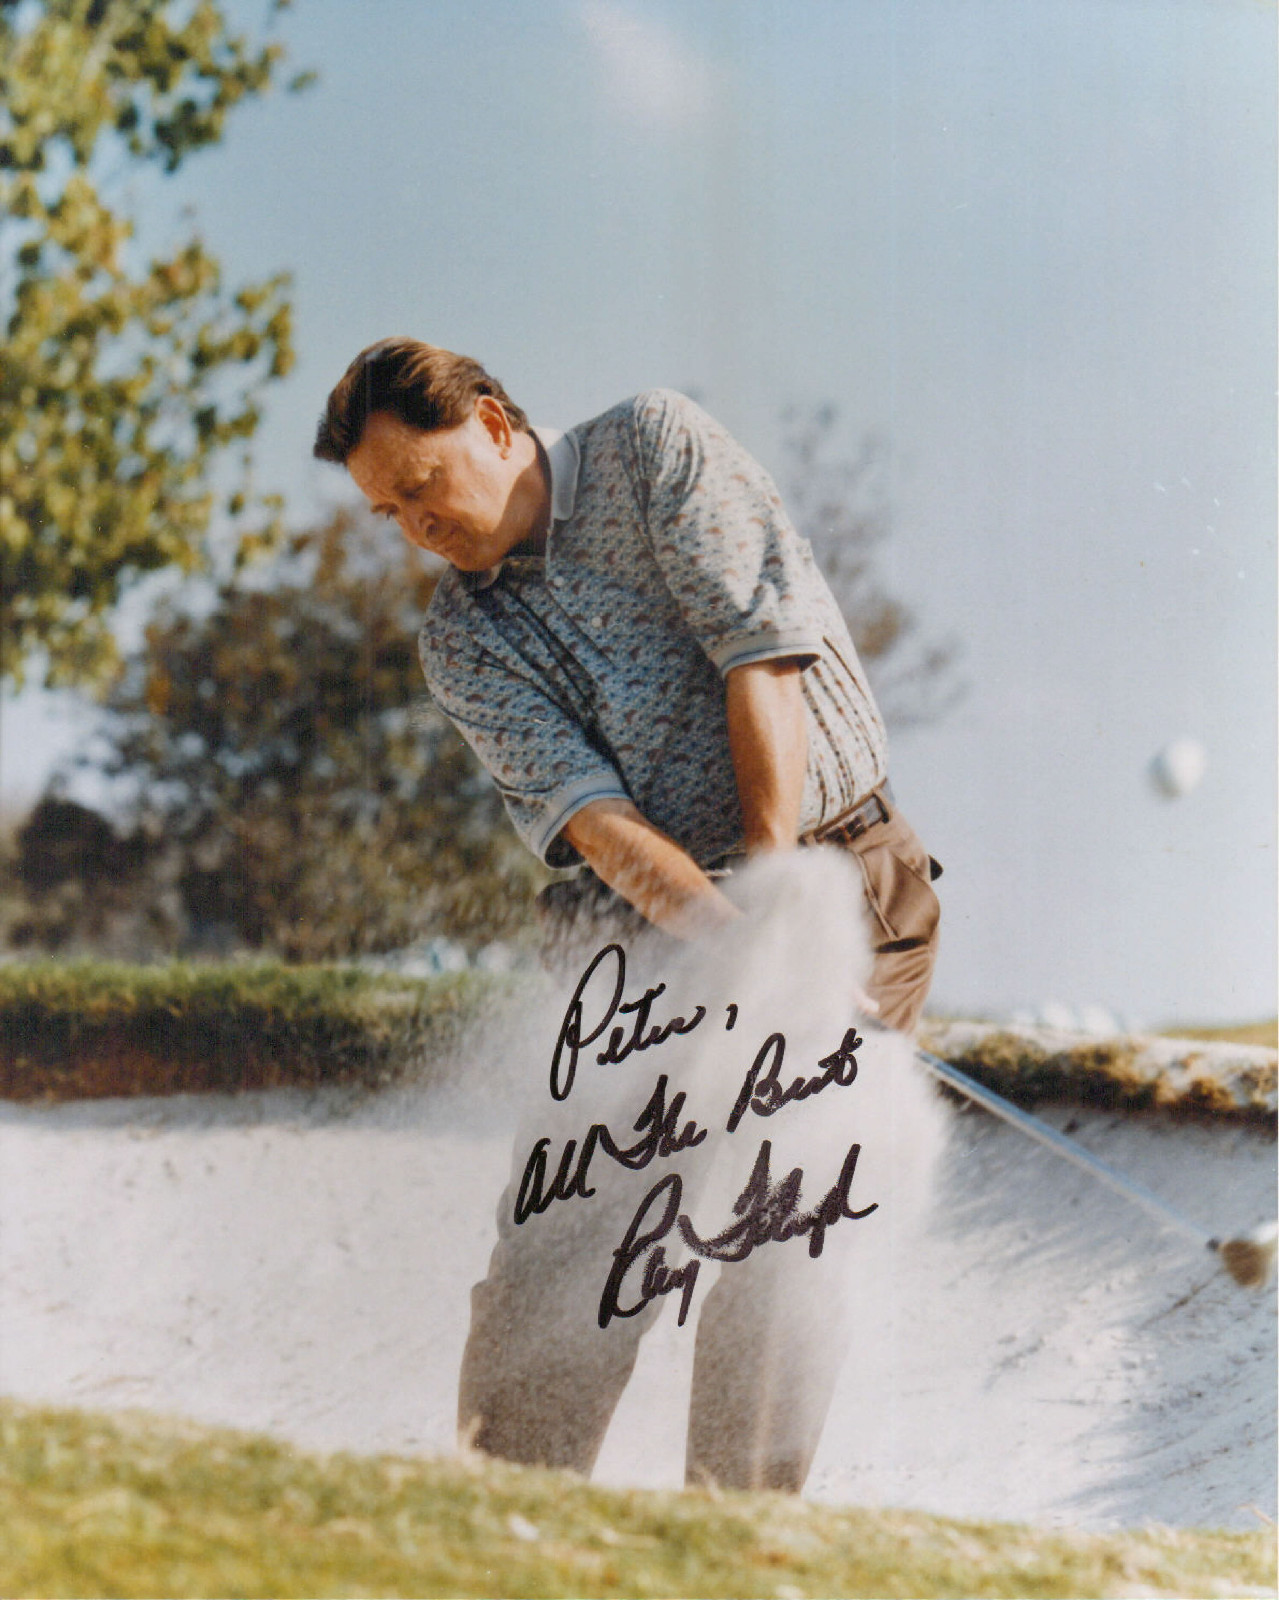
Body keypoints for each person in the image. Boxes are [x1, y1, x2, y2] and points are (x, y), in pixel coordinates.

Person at [314, 337, 942, 1492]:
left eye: (422, 484)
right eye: (384, 510)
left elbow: (762, 661)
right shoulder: (461, 639)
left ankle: (727, 1543)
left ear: (495, 425)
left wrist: (783, 911)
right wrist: (734, 936)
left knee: (787, 1204)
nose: (416, 524)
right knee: (564, 1233)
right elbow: (596, 825)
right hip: (640, 939)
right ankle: (504, 1526)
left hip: (839, 873)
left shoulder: (652, 447)